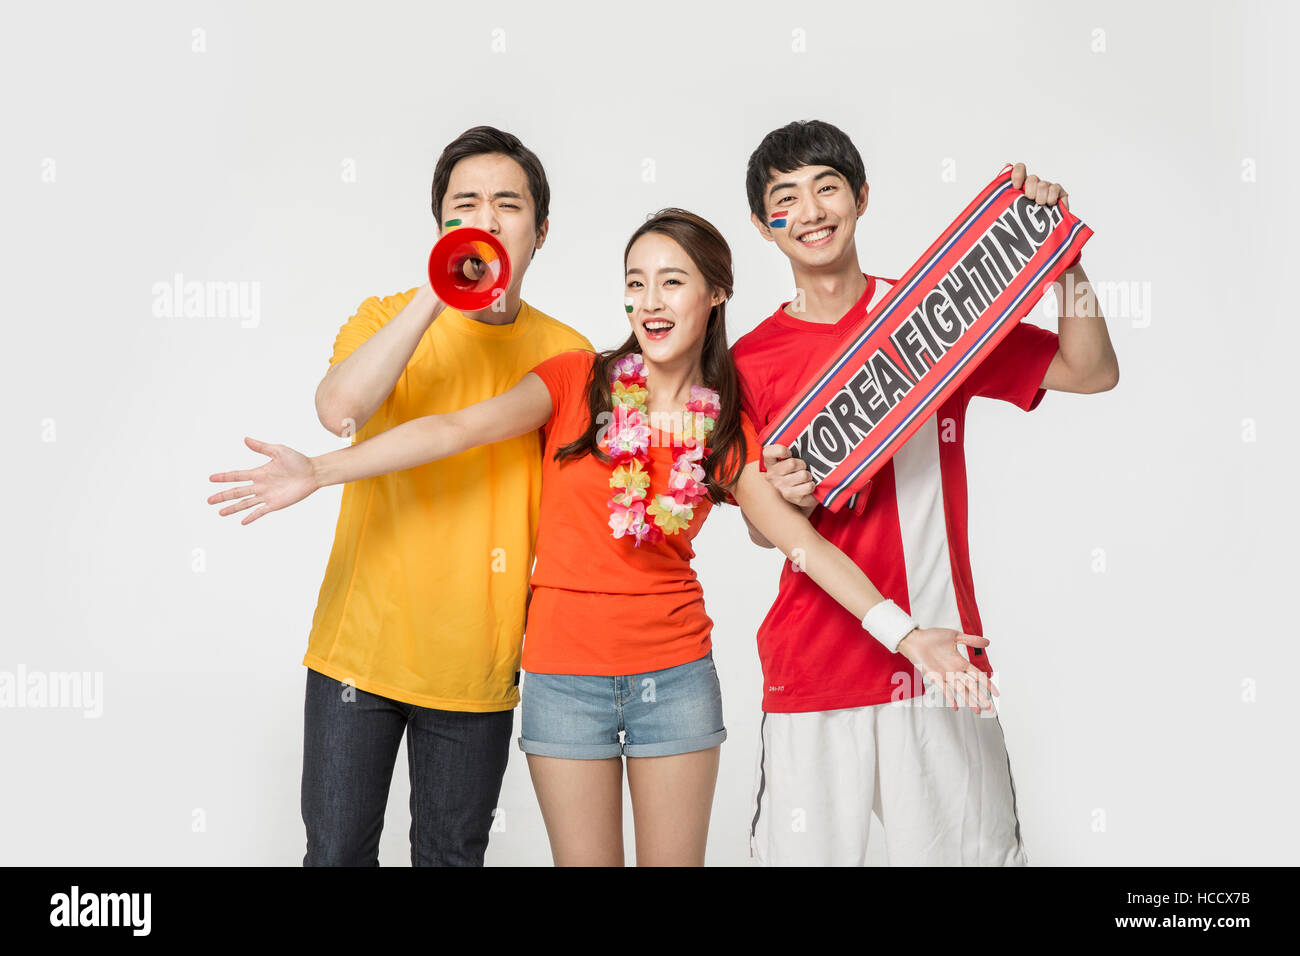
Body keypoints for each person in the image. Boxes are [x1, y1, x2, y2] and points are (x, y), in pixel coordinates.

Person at [207, 207, 994, 866]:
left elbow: (803, 544)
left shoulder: (725, 425)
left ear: (715, 294)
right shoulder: (574, 380)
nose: (650, 300)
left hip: (675, 679)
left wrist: (908, 635)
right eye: (635, 282)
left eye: (672, 281)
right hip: (564, 681)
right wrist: (320, 469)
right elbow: (452, 429)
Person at [731, 119, 1120, 865]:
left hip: (940, 663)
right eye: (786, 199)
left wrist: (1062, 260)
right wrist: (789, 496)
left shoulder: (934, 319)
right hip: (814, 670)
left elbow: (1090, 370)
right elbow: (761, 528)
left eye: (827, 188)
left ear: (861, 197)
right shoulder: (748, 362)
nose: (810, 211)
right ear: (762, 224)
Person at [217, 125, 594, 866]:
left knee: (451, 857)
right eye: (465, 206)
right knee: (335, 854)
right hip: (356, 653)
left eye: (508, 205)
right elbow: (339, 410)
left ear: (541, 230)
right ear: (439, 225)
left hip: (476, 664)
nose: (486, 221)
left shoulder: (569, 354)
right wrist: (437, 293)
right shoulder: (385, 317)